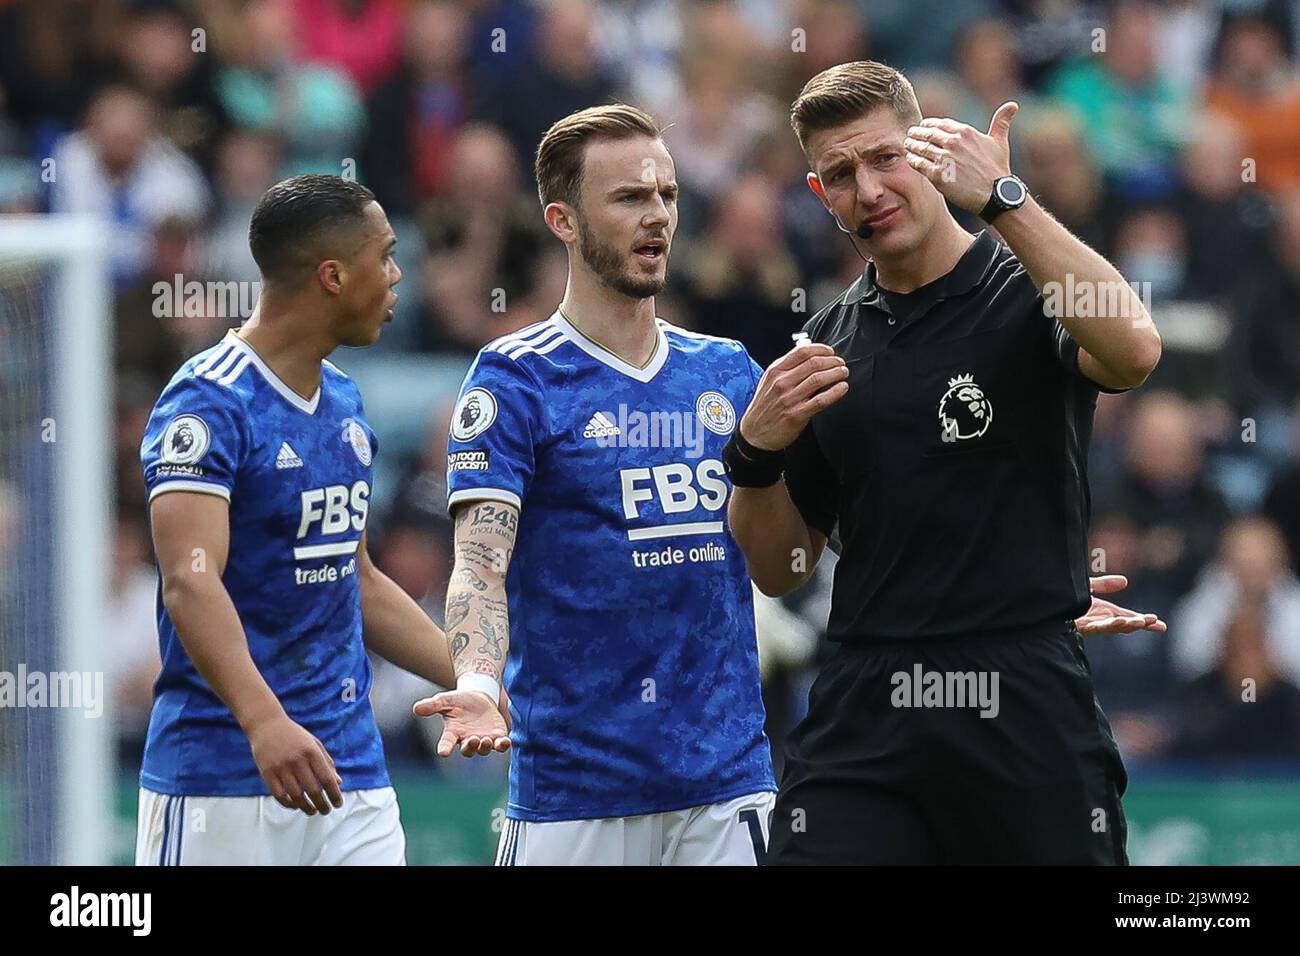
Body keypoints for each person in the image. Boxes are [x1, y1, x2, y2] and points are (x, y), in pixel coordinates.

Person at [726, 60, 1164, 864]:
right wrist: (753, 457)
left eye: (885, 158)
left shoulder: (1028, 285)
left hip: (1023, 697)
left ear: (930, 151)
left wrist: (1006, 198)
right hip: (867, 701)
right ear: (821, 198)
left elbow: (1134, 349)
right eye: (841, 175)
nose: (867, 189)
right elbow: (784, 568)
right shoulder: (825, 344)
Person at [418, 104, 777, 865]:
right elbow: (480, 562)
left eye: (667, 196)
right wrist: (479, 680)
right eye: (628, 199)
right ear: (564, 220)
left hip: (726, 786)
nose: (657, 218)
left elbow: (828, 530)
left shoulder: (728, 372)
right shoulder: (517, 377)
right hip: (573, 795)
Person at [136, 175, 507, 866]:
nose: (400, 277)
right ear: (333, 275)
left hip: (350, 772)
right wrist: (265, 722)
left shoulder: (343, 402)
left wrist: (476, 676)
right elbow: (190, 584)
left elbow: (356, 582)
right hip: (226, 771)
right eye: (387, 256)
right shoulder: (205, 405)